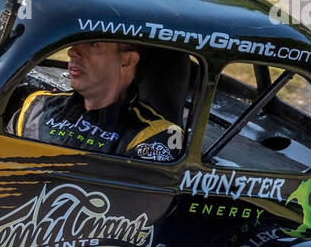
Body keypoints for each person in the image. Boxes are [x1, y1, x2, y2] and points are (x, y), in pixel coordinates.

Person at [10, 40, 182, 162]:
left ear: (127, 60)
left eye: (93, 44)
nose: (72, 52)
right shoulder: (37, 106)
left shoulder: (155, 136)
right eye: (77, 39)